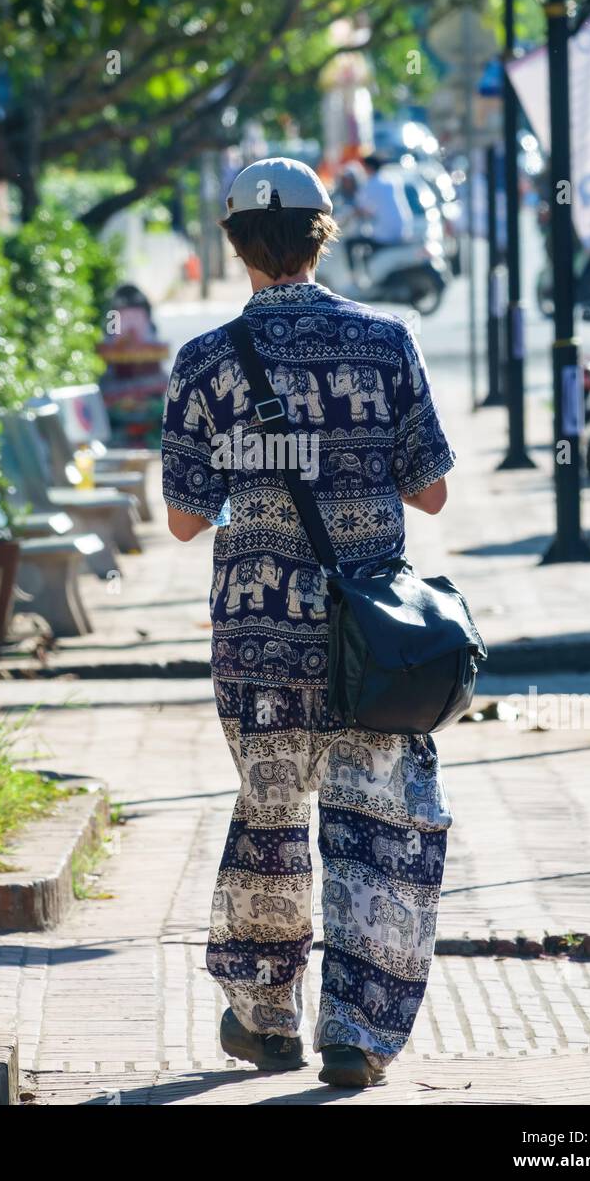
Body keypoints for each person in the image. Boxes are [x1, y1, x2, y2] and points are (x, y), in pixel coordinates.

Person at [161, 156, 455, 1090]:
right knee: (379, 830)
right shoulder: (386, 340)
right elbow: (434, 492)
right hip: (372, 644)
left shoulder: (205, 362)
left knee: (273, 822)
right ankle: (357, 1035)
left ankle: (264, 1021)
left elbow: (183, 517)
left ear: (238, 244)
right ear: (323, 233)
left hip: (259, 641)